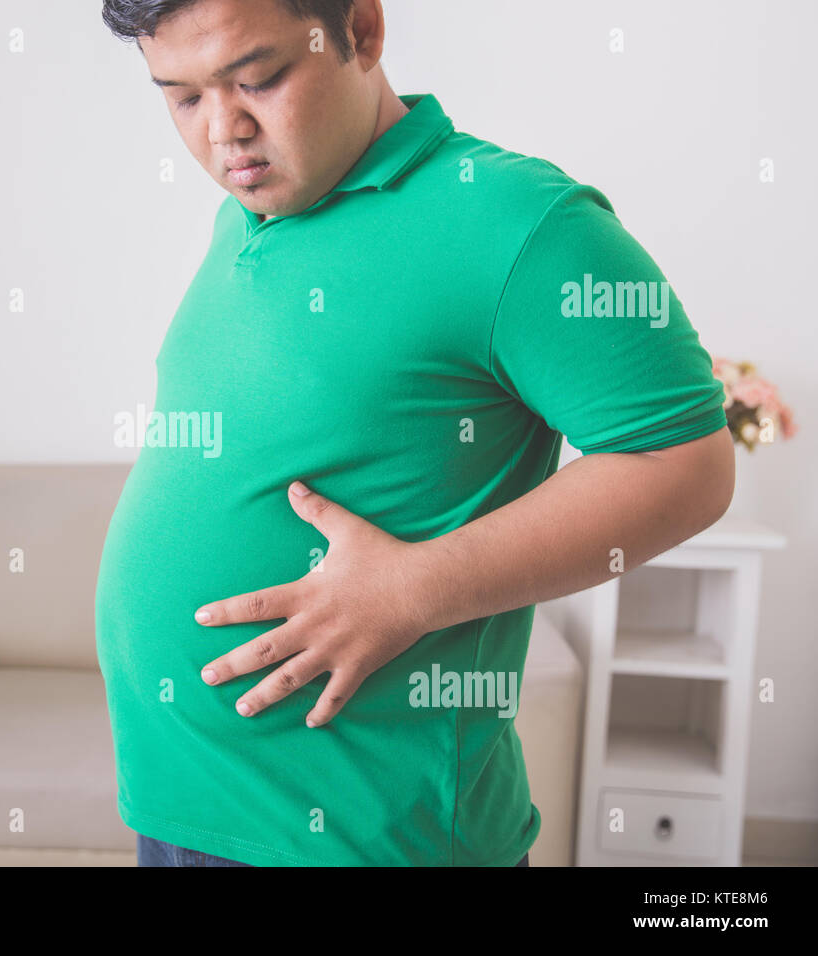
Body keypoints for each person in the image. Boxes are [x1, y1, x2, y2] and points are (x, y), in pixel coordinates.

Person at [95, 0, 734, 867]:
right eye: (182, 98)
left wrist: (414, 588)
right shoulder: (251, 215)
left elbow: (686, 462)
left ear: (361, 29)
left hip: (358, 840)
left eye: (258, 79)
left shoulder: (521, 222)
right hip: (183, 812)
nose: (224, 132)